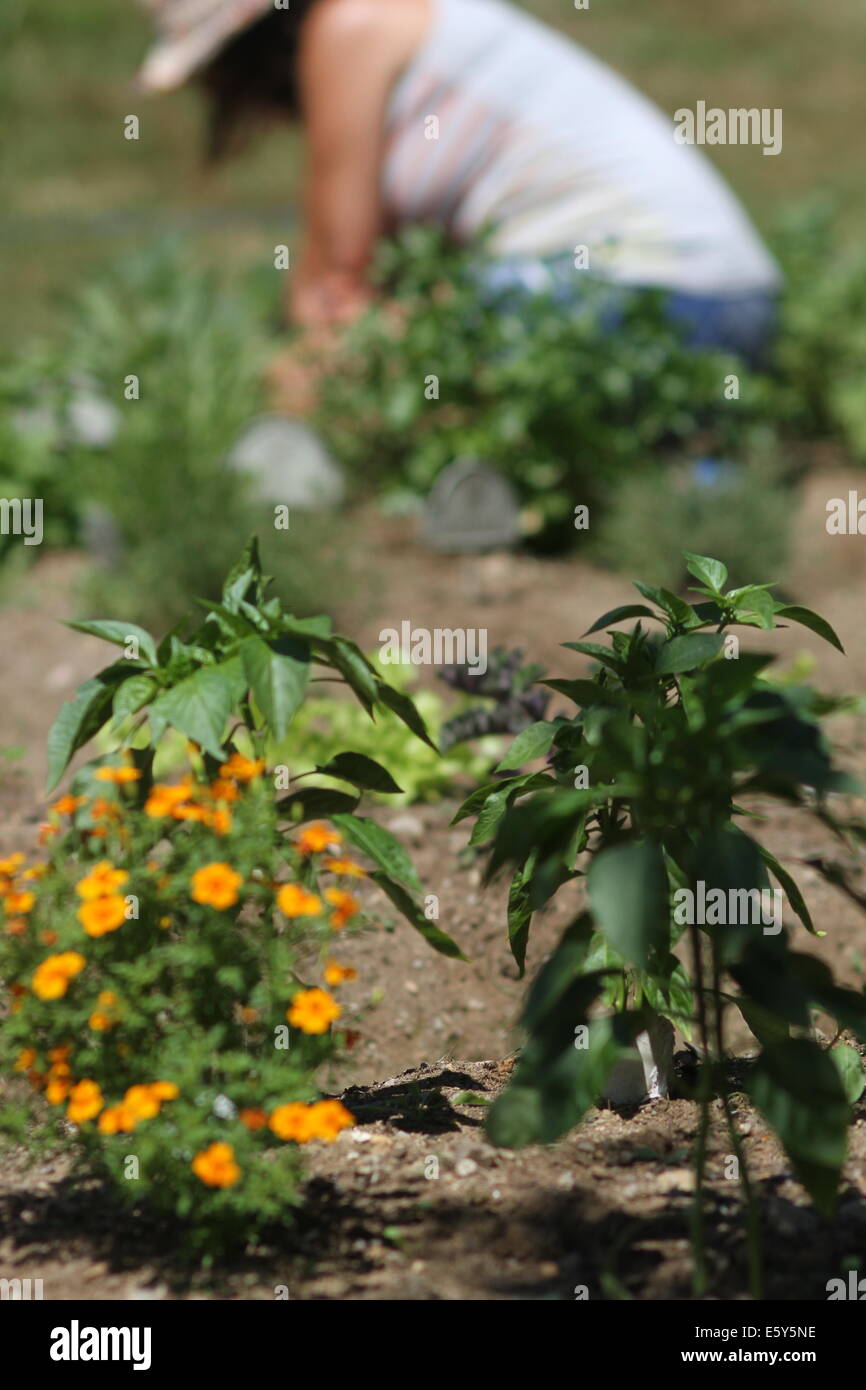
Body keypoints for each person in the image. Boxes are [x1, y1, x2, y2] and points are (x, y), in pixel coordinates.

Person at [137, 0, 781, 366]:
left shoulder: (349, 26)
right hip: (737, 303)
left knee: (345, 343)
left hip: (634, 297)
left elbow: (332, 280)